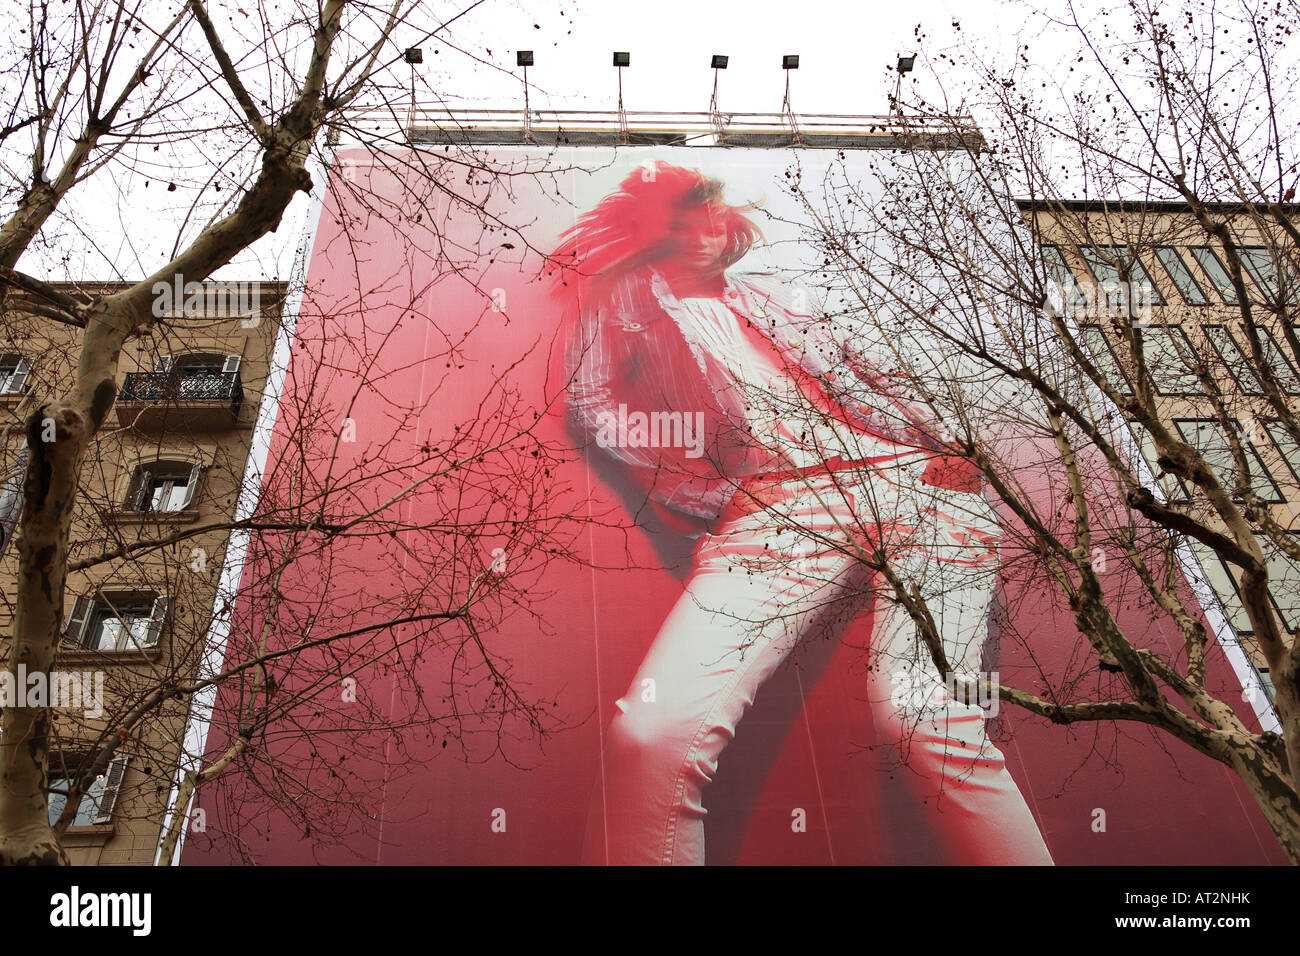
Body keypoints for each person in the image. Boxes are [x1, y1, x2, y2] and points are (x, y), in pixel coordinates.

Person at [552, 161, 1053, 865]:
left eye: (709, 212)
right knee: (654, 733)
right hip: (781, 509)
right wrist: (707, 495)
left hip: (916, 480)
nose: (701, 232)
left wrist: (959, 448)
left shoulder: (778, 299)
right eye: (680, 219)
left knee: (928, 718)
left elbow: (890, 372)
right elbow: (593, 407)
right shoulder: (627, 304)